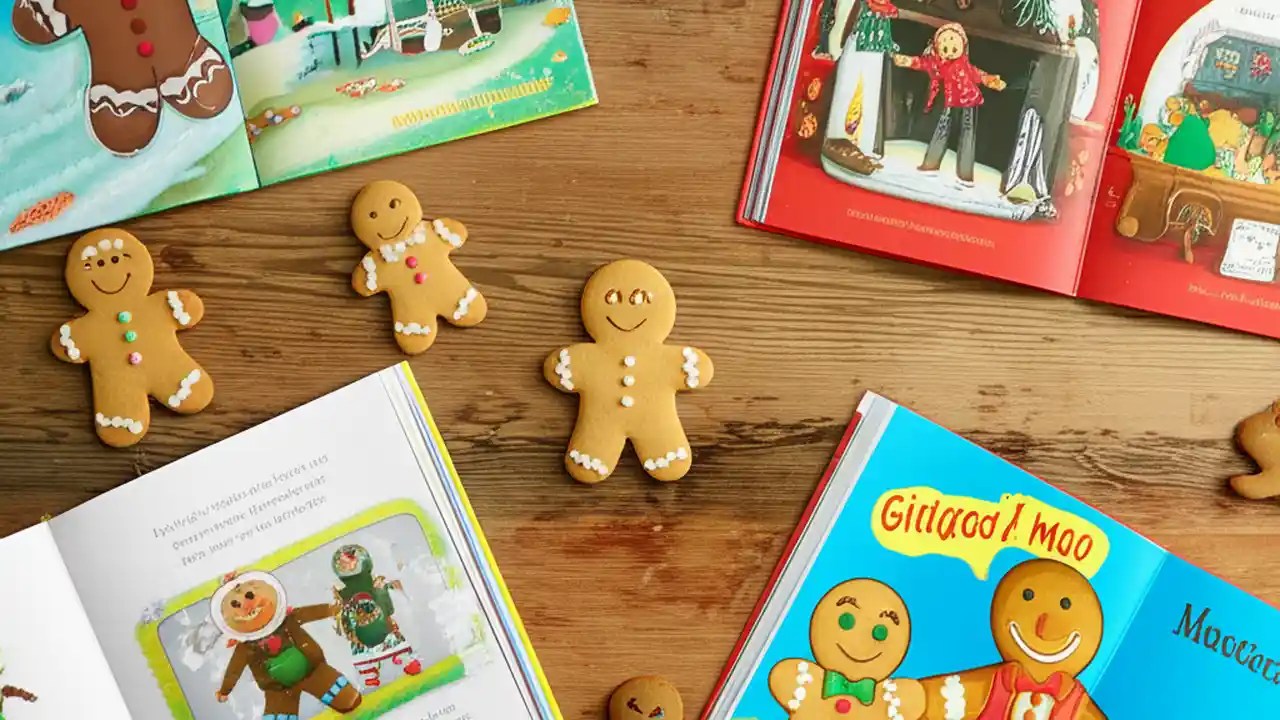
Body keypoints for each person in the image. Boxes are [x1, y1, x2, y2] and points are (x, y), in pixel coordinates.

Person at [893, 23, 1006, 185]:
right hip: (951, 101)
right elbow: (923, 63)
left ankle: (965, 175)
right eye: (945, 46)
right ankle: (931, 164)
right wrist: (907, 61)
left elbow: (980, 75)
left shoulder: (965, 65)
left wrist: (992, 81)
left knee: (967, 134)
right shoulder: (939, 64)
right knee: (942, 128)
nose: (949, 49)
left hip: (969, 102)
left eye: (954, 46)